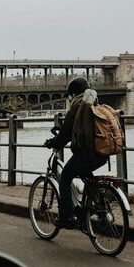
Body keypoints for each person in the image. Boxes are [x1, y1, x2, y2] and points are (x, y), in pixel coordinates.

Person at [44, 76, 107, 229]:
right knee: (86, 175)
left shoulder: (77, 108)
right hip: (103, 153)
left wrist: (52, 143)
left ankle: (66, 217)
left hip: (87, 155)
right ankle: (95, 209)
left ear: (73, 94)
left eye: (69, 95)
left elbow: (64, 137)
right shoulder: (95, 103)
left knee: (65, 178)